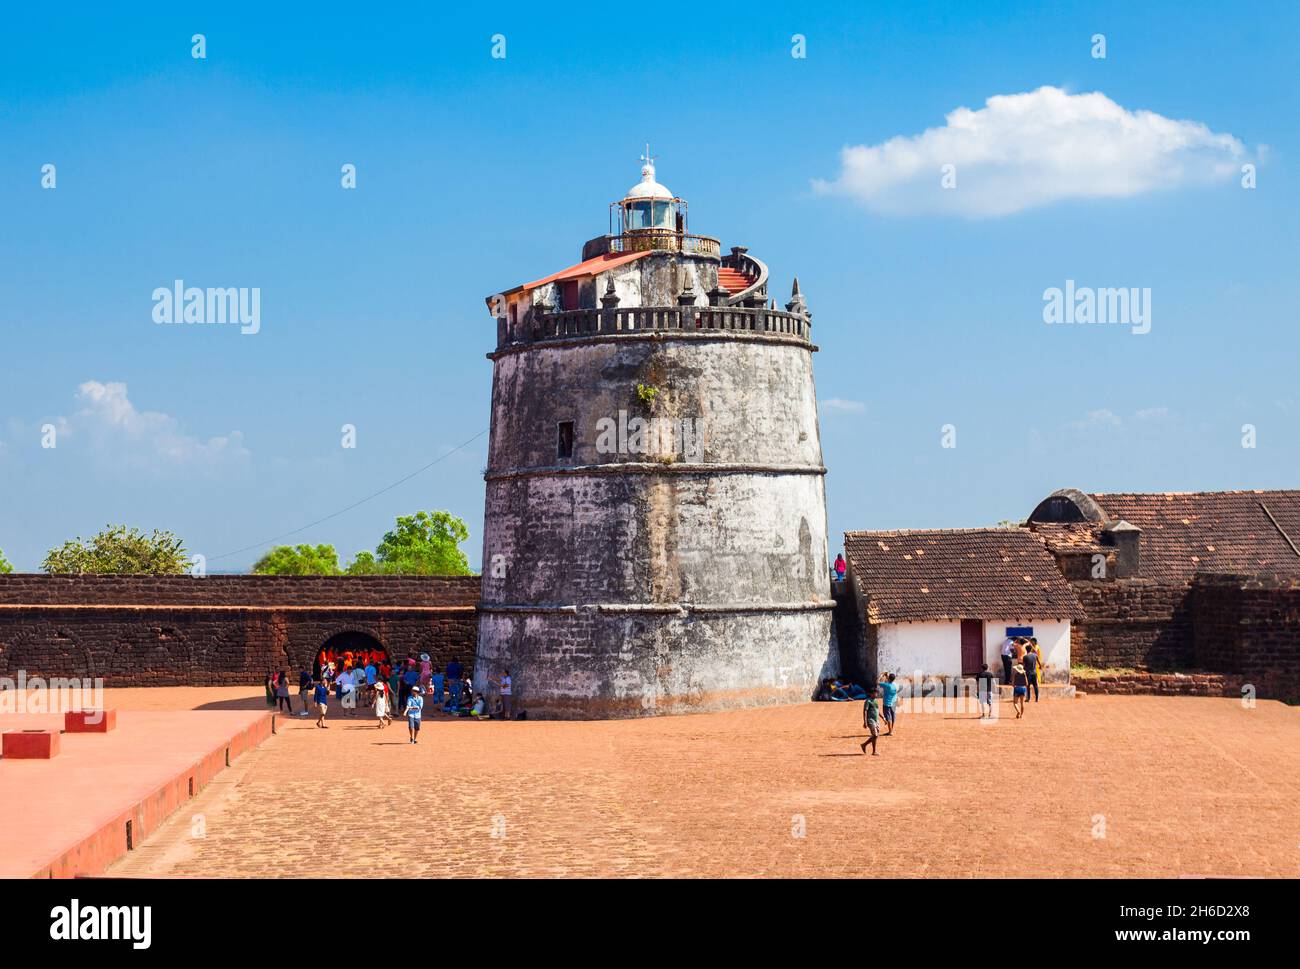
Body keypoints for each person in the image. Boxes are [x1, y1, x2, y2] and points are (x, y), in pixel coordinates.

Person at [860, 688, 880, 756]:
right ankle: (867, 747)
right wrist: (865, 721)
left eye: (876, 693)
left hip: (876, 720)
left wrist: (883, 718)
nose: (876, 694)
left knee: (875, 736)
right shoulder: (868, 701)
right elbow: (865, 711)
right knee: (875, 735)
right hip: (870, 720)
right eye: (874, 693)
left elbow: (877, 710)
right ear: (870, 694)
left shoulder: (876, 701)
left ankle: (866, 746)